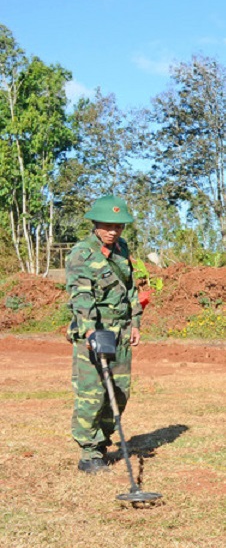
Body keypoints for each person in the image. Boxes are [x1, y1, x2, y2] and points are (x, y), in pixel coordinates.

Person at [66, 195, 142, 474]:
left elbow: (131, 288)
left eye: (119, 226)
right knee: (93, 394)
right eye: (108, 226)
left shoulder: (122, 249)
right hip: (94, 333)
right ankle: (89, 452)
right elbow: (81, 295)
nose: (114, 231)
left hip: (120, 333)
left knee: (119, 394)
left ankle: (103, 442)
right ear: (95, 224)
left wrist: (135, 322)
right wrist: (89, 330)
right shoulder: (81, 253)